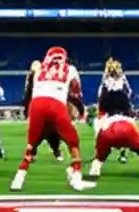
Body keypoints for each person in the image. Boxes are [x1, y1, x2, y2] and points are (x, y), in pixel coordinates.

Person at [11, 46, 94, 191]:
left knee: (31, 145)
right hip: (56, 104)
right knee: (73, 141)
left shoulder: (38, 69)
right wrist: (80, 110)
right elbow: (75, 94)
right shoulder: (71, 69)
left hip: (36, 104)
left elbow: (30, 91)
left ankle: (19, 178)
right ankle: (76, 177)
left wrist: (27, 109)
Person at [88, 112, 139, 179]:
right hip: (129, 134)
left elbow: (100, 138)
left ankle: (95, 168)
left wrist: (98, 156)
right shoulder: (130, 120)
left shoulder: (106, 119)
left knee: (101, 155)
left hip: (109, 135)